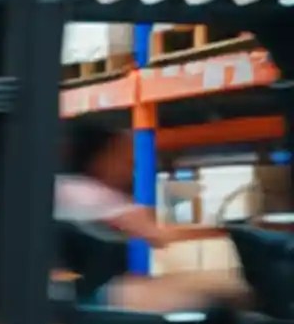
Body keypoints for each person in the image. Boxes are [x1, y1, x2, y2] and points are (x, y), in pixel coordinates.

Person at [55, 119, 251, 311]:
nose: (129, 170)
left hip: (74, 295)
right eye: (126, 161)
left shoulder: (67, 188)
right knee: (227, 289)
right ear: (101, 158)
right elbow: (160, 236)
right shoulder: (93, 196)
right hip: (92, 299)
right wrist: (226, 230)